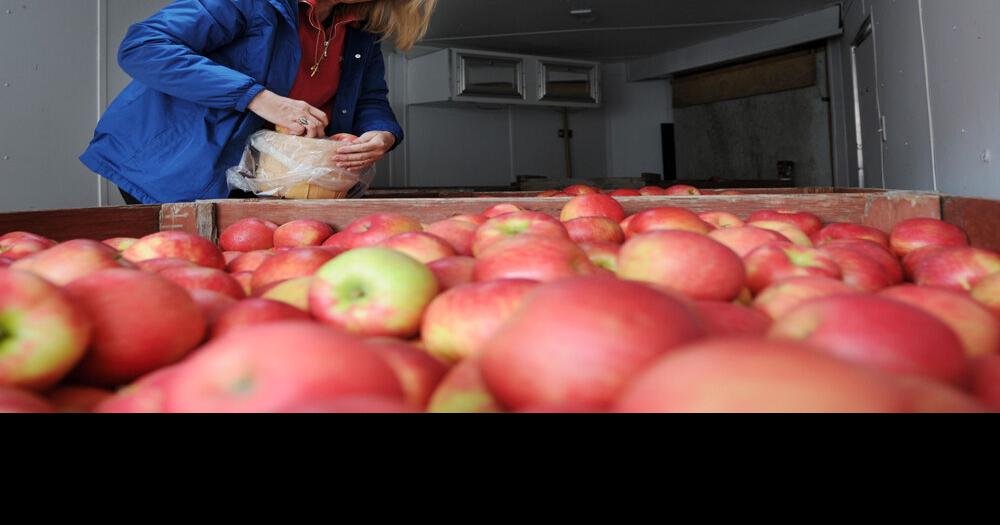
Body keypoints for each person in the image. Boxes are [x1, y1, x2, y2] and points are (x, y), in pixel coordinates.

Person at [80, 0, 436, 204]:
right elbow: (144, 46)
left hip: (265, 184)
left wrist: (380, 134)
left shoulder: (360, 30)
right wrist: (257, 98)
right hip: (174, 167)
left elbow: (370, 99)